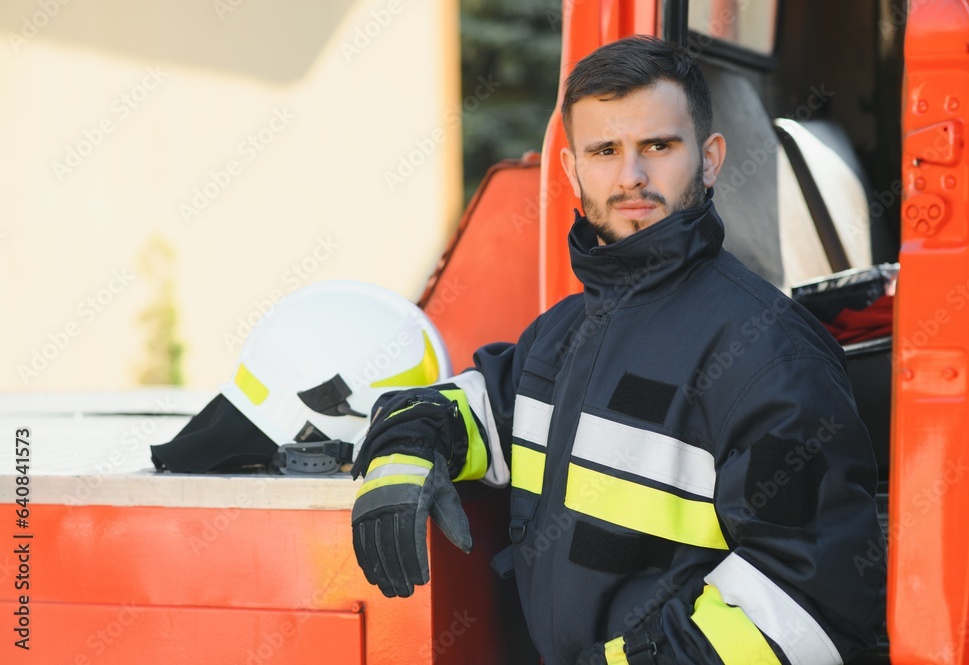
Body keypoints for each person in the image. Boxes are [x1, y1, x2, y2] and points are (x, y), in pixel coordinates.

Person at [350, 35, 886, 665]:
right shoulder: (561, 335)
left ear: (710, 159)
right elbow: (469, 408)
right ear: (573, 170)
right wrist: (403, 456)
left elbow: (807, 607)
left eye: (658, 146)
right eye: (605, 151)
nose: (631, 176)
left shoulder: (771, 355)